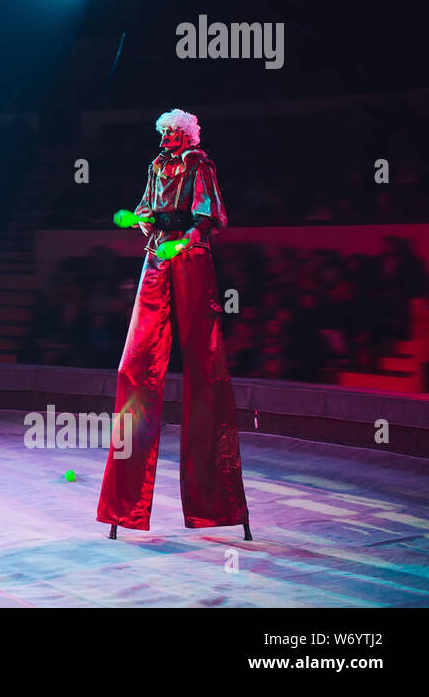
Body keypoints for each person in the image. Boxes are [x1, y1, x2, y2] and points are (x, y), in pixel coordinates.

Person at [97, 109, 251, 540]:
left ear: (185, 135)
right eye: (162, 132)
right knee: (135, 365)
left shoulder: (199, 164)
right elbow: (147, 210)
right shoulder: (156, 166)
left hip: (188, 257)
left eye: (171, 133)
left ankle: (216, 503)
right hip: (156, 257)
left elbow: (207, 217)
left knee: (205, 366)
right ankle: (124, 506)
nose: (164, 138)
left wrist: (181, 242)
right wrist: (138, 220)